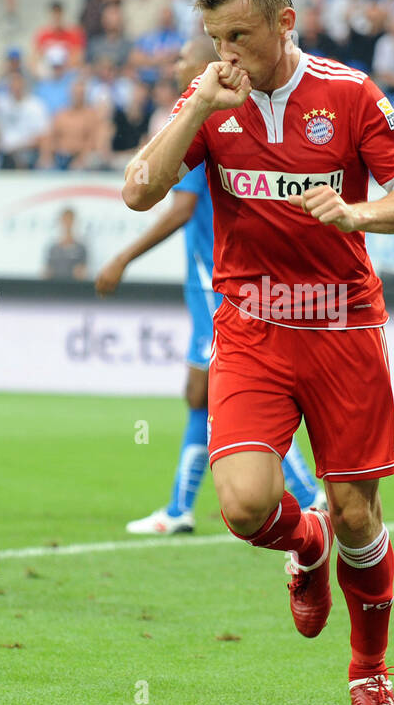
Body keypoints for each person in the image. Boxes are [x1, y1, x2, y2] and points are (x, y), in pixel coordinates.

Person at [121, 0, 394, 705]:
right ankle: (306, 546)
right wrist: (196, 109)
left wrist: (358, 216)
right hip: (253, 325)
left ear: (285, 24)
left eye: (240, 36)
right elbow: (137, 191)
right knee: (243, 506)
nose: (225, 53)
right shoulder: (210, 100)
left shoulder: (350, 93)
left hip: (343, 323)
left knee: (358, 511)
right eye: (214, 38)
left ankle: (370, 671)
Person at [96, 37, 325, 536]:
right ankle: (181, 508)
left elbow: (178, 208)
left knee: (215, 395)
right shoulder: (192, 122)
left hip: (218, 289)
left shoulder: (209, 126)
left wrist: (122, 258)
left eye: (183, 58)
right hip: (211, 287)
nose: (176, 65)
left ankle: (309, 497)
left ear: (207, 67)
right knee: (206, 399)